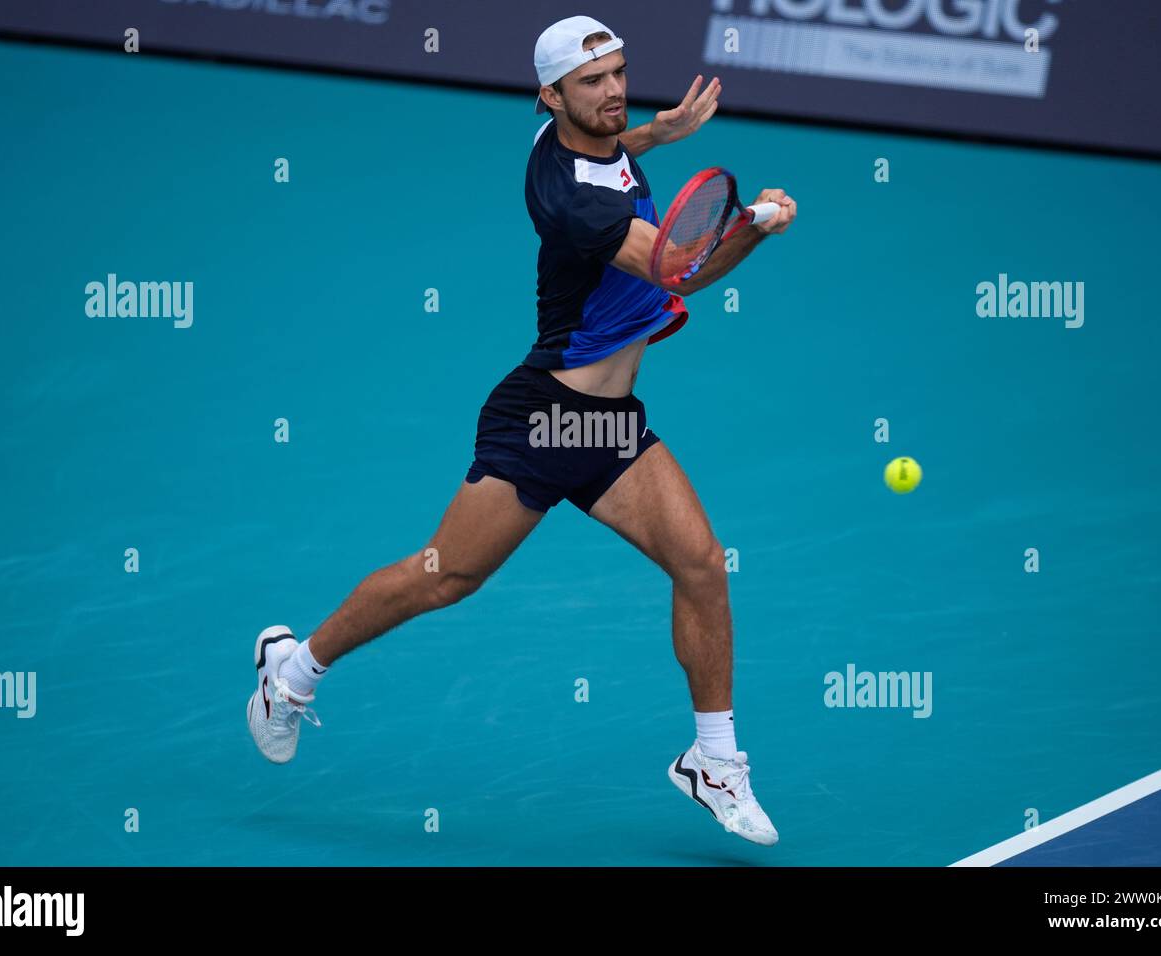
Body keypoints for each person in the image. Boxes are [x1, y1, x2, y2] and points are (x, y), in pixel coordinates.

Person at [247, 14, 797, 847]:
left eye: (618, 72)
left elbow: (614, 152)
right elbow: (683, 269)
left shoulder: (569, 145)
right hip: (544, 419)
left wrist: (660, 131)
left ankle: (713, 761)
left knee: (700, 565)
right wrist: (757, 225)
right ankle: (291, 672)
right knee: (444, 577)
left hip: (611, 426)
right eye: (592, 82)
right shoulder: (577, 205)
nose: (613, 90)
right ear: (551, 96)